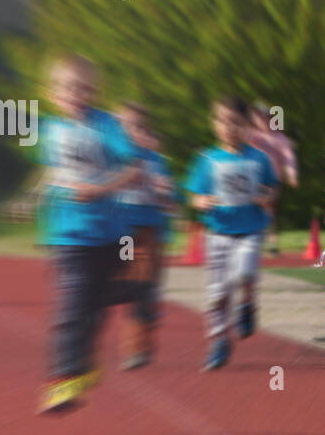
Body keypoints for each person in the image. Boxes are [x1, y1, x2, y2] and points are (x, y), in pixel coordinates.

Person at [37, 55, 141, 413]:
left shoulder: (107, 127)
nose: (74, 94)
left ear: (93, 91)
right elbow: (51, 173)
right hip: (68, 237)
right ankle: (62, 382)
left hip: (110, 236)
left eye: (82, 87)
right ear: (52, 93)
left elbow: (134, 170)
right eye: (67, 87)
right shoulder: (48, 129)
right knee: (71, 308)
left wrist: (100, 190)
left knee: (96, 310)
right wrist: (30, 195)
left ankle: (87, 360)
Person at [184, 97, 279, 371]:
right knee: (217, 292)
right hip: (218, 233)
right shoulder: (207, 159)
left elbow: (272, 190)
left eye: (235, 123)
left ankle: (247, 304)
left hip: (249, 231)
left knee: (244, 273)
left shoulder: (259, 158)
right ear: (214, 124)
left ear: (247, 126)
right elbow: (193, 196)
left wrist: (266, 198)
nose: (229, 128)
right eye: (223, 121)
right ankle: (219, 341)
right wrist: (201, 202)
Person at [114, 102, 176, 370]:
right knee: (127, 285)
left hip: (149, 230)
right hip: (119, 230)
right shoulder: (110, 156)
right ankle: (146, 317)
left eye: (137, 126)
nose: (131, 132)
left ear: (146, 130)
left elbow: (171, 200)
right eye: (124, 126)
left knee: (142, 286)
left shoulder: (155, 160)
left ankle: (136, 348)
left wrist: (165, 191)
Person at [244, 104, 298, 256]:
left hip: (272, 180)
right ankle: (252, 240)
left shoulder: (279, 138)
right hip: (252, 178)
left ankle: (272, 244)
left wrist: (291, 175)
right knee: (251, 209)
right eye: (259, 117)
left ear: (271, 118)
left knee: (270, 211)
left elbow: (288, 157)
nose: (263, 120)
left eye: (265, 117)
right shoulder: (252, 135)